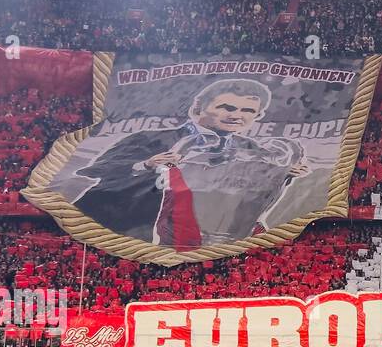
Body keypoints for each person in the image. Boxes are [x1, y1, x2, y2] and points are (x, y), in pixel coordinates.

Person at [69, 78, 309, 248]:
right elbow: (98, 170)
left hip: (205, 238)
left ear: (258, 116)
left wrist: (285, 173)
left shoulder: (253, 150)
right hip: (134, 228)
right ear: (198, 107)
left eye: (248, 110)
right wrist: (145, 165)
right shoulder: (152, 139)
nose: (237, 115)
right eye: (227, 107)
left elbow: (256, 189)